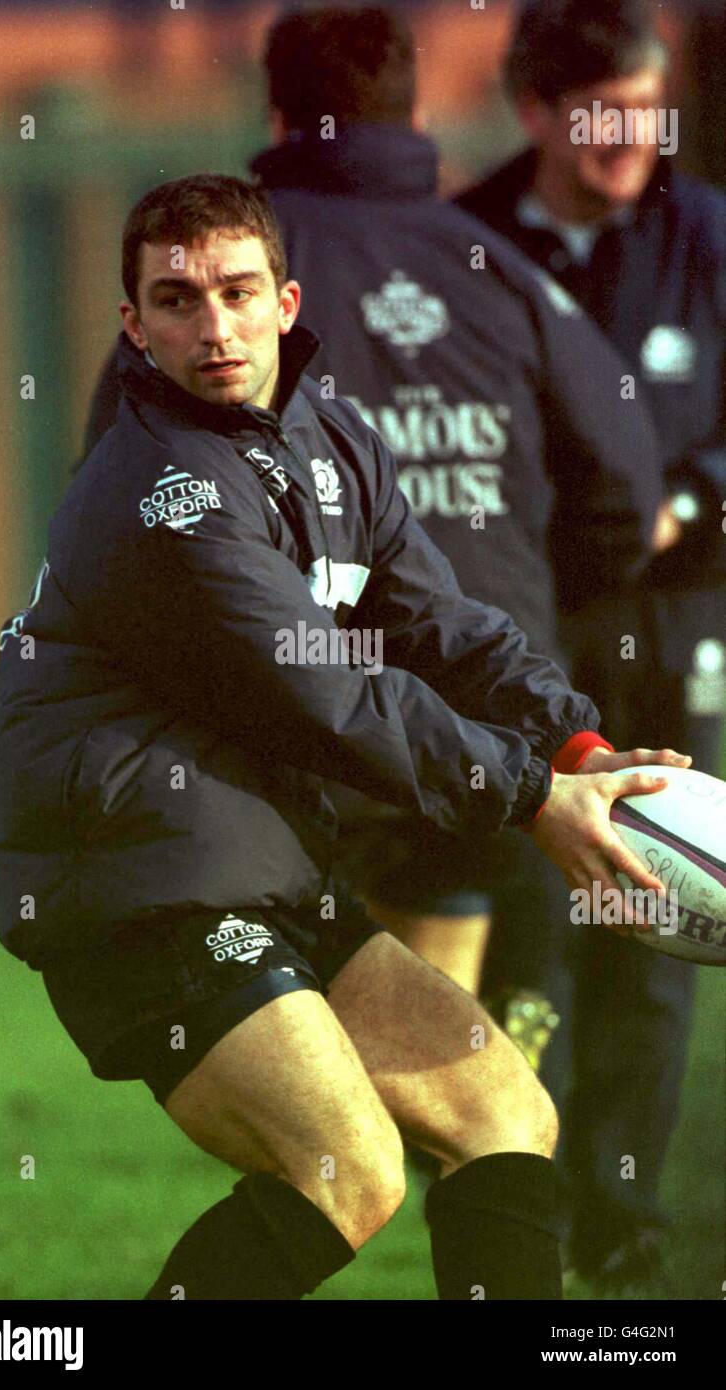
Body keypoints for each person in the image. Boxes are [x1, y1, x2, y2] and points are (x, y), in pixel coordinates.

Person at [0, 174, 686, 1301]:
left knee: (504, 1114)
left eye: (235, 290)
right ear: (132, 323)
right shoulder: (163, 495)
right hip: (133, 883)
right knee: (345, 1173)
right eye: (175, 300)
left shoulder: (332, 433)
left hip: (264, 865)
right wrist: (523, 798)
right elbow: (331, 692)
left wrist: (575, 751)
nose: (210, 326)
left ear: (285, 299)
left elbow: (434, 623)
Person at [82, 5, 667, 1050]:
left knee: (369, 1081)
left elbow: (115, 492)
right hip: (474, 734)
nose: (218, 322)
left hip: (292, 759)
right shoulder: (503, 272)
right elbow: (622, 485)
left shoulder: (202, 280)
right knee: (456, 1064)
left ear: (273, 110)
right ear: (418, 107)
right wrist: (547, 599)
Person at [456, 0, 726, 1286]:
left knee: (656, 920)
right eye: (603, 111)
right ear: (534, 109)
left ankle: (622, 1231)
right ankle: (533, 1219)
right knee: (534, 929)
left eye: (647, 105)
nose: (633, 137)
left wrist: (692, 493)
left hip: (671, 630)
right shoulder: (461, 244)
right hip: (528, 639)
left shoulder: (705, 237)